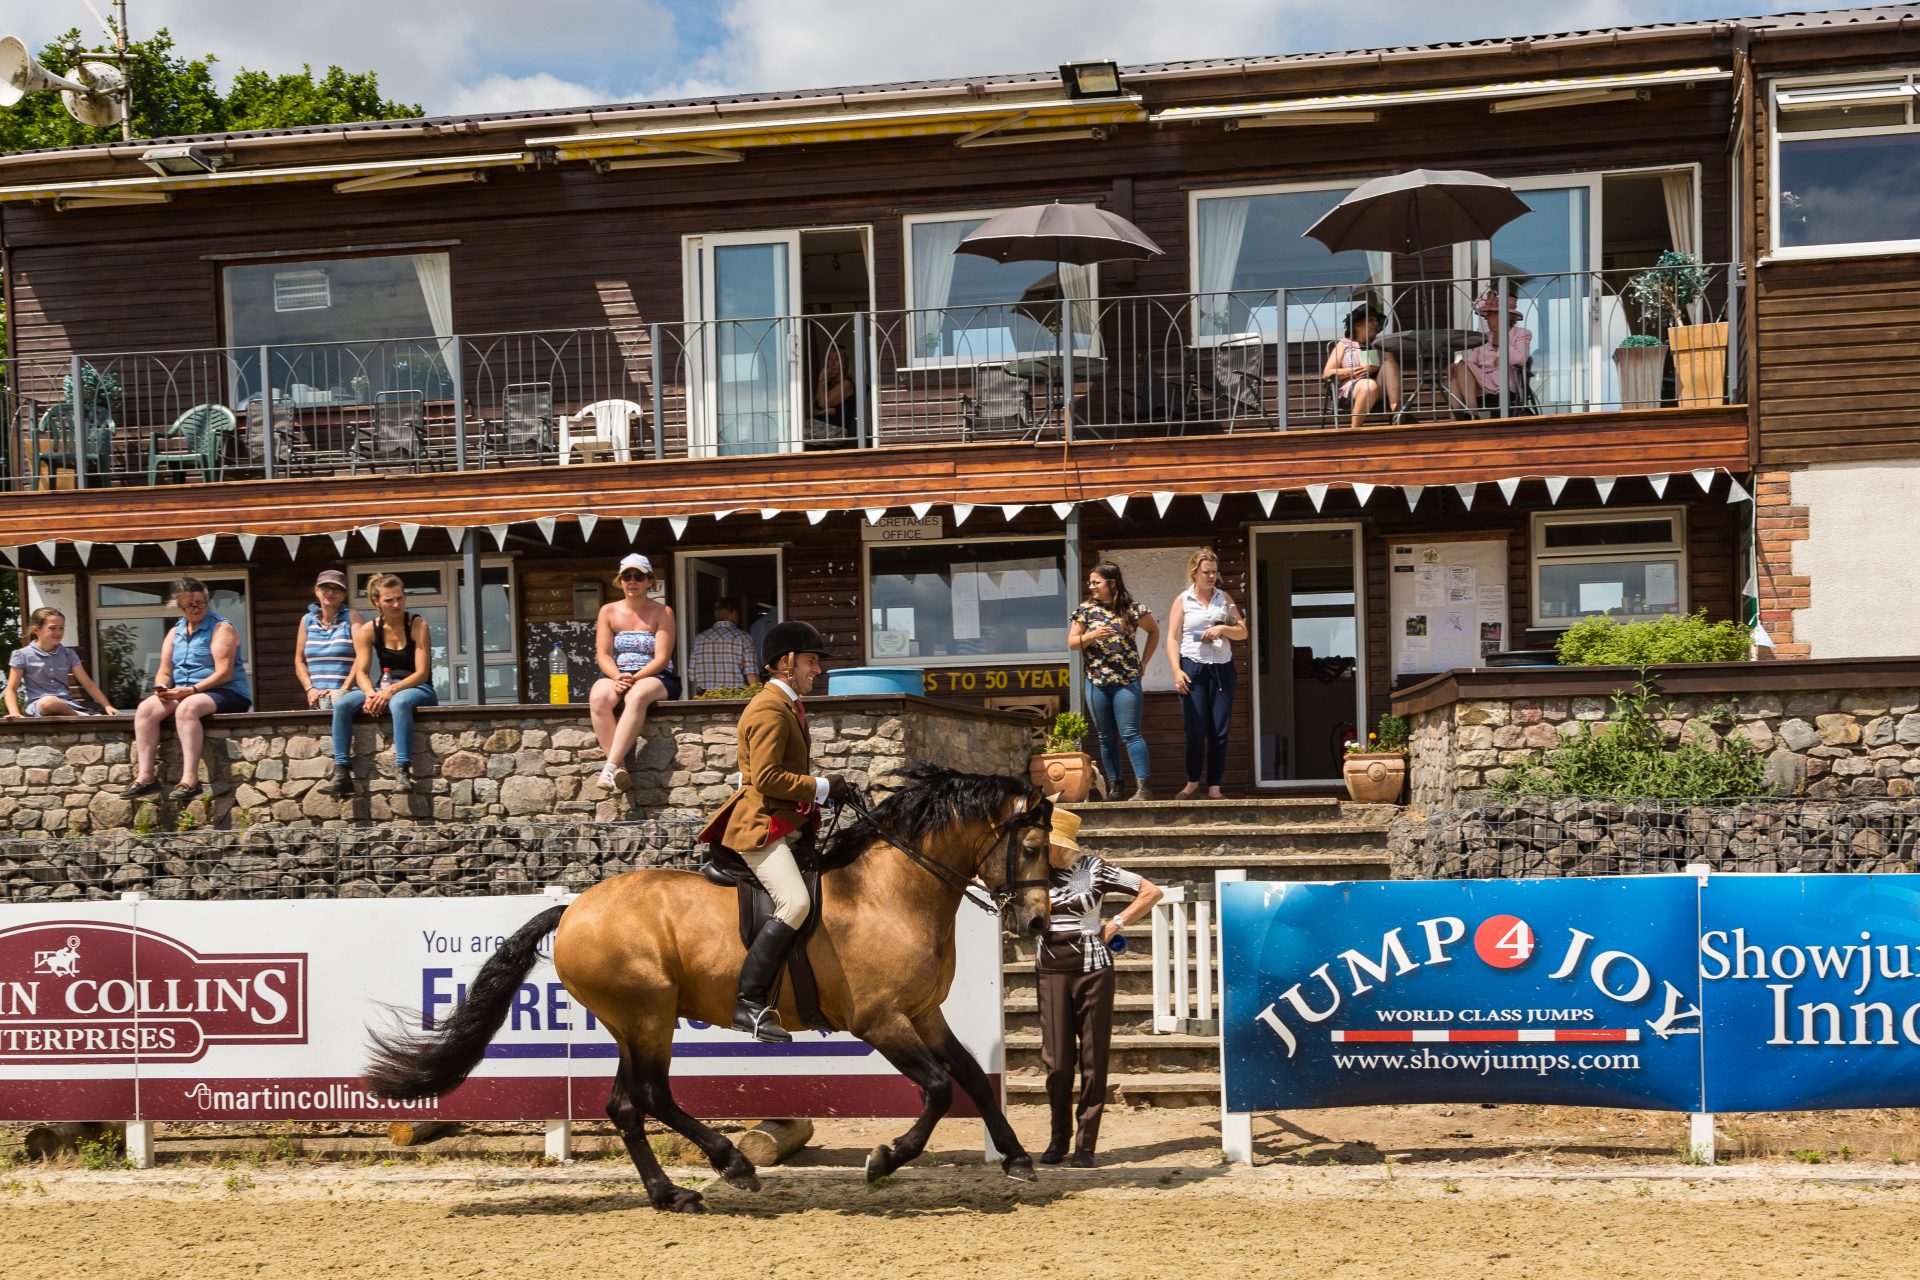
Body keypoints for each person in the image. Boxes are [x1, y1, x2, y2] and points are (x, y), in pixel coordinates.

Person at [698, 620, 852, 1043]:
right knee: (795, 902)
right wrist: (821, 786)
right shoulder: (768, 708)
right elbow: (766, 777)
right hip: (760, 826)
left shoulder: (785, 705)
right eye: (811, 661)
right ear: (786, 663)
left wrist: (828, 791)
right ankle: (749, 1004)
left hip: (784, 821)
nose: (816, 670)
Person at [1035, 806, 1162, 1168]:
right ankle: (1058, 1140)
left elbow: (1150, 892)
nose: (1046, 849)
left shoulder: (1095, 868)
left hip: (1094, 971)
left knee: (1093, 1059)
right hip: (1050, 971)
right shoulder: (1032, 870)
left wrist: (1115, 923)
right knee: (1057, 1063)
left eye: (1049, 843)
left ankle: (1085, 1145)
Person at [122, 576, 252, 801]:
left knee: (187, 708)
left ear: (206, 599)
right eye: (189, 605)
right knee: (145, 709)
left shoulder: (221, 628)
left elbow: (224, 673)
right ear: (179, 606)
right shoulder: (175, 632)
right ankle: (146, 777)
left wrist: (191, 690)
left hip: (226, 691)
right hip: (184, 690)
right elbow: (164, 670)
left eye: (200, 603)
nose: (195, 608)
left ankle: (190, 780)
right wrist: (162, 686)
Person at [319, 573, 438, 794]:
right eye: (389, 600)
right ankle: (342, 771)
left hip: (417, 688)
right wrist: (370, 694)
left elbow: (422, 673)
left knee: (399, 703)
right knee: (343, 704)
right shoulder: (368, 629)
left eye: (400, 598)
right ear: (376, 603)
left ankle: (402, 771)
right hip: (383, 687)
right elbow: (361, 672)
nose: (396, 604)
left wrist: (390, 691)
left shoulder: (418, 624)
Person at [1067, 560, 1161, 801]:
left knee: (1130, 733)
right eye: (1090, 583)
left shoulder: (1133, 609)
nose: (1092, 587)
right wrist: (1093, 634)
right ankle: (1115, 787)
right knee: (1105, 736)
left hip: (1126, 680)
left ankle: (1144, 788)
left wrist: (1144, 664)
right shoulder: (1085, 610)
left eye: (1096, 582)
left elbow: (1154, 631)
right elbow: (1072, 643)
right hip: (1096, 682)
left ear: (1112, 583)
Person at [588, 553, 680, 791]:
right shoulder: (608, 611)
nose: (632, 581)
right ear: (619, 581)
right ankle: (620, 771)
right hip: (617, 674)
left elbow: (661, 658)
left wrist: (634, 679)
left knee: (636, 696)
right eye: (626, 576)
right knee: (598, 697)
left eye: (638, 576)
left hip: (654, 675)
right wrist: (618, 677)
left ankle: (609, 768)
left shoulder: (663, 612)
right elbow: (604, 655)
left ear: (649, 581)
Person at [1163, 548, 1246, 801]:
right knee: (1196, 729)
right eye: (1206, 572)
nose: (1211, 577)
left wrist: (1223, 627)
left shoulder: (1225, 598)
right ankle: (1192, 782)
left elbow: (1242, 632)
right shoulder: (1183, 600)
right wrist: (1176, 670)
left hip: (1221, 667)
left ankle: (1215, 787)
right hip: (1193, 667)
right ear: (1194, 573)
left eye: (1214, 572)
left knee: (1219, 730)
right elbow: (1172, 638)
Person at [5, 607, 117, 719]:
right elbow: (11, 688)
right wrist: (15, 712)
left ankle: (77, 713)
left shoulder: (68, 654)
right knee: (49, 702)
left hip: (66, 703)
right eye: (52, 628)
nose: (58, 632)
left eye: (61, 628)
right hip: (39, 704)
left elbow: (88, 684)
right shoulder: (22, 655)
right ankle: (81, 716)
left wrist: (107, 706)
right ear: (36, 630)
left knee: (55, 702)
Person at [1448, 290, 1532, 415]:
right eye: (1487, 314)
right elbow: (1470, 363)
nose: (1486, 318)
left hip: (1504, 385)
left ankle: (1470, 414)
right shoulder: (1484, 337)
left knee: (1460, 366)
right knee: (1456, 367)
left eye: (1491, 314)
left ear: (1503, 316)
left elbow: (1520, 360)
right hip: (1480, 385)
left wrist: (1502, 341)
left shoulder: (1521, 334)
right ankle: (1460, 415)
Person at [1322, 302, 1400, 429]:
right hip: (1351, 390)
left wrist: (1377, 366)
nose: (1376, 324)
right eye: (1370, 320)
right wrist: (1355, 371)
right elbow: (1327, 374)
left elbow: (1391, 370)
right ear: (1358, 325)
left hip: (1380, 389)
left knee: (1389, 364)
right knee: (1369, 386)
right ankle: (1354, 430)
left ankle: (1397, 411)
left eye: (1376, 321)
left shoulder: (1380, 345)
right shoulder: (1344, 344)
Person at [293, 569, 358, 713]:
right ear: (316, 590)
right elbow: (299, 660)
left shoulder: (352, 617)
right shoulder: (307, 620)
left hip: (348, 699)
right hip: (317, 700)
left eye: (337, 589)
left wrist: (343, 690)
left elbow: (362, 657)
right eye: (325, 587)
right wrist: (310, 689)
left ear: (344, 595)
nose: (330, 592)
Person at [688, 597, 760, 696]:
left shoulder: (699, 639)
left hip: (705, 698)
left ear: (716, 614)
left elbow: (692, 676)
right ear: (734, 613)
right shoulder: (743, 638)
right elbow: (751, 675)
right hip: (735, 697)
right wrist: (758, 695)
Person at [807, 344, 856, 448]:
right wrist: (821, 412)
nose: (832, 363)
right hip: (821, 432)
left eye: (837, 359)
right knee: (793, 427)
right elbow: (808, 409)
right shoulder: (827, 385)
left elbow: (823, 403)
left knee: (794, 433)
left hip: (836, 433)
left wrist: (822, 378)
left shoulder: (847, 384)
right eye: (830, 359)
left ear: (844, 364)